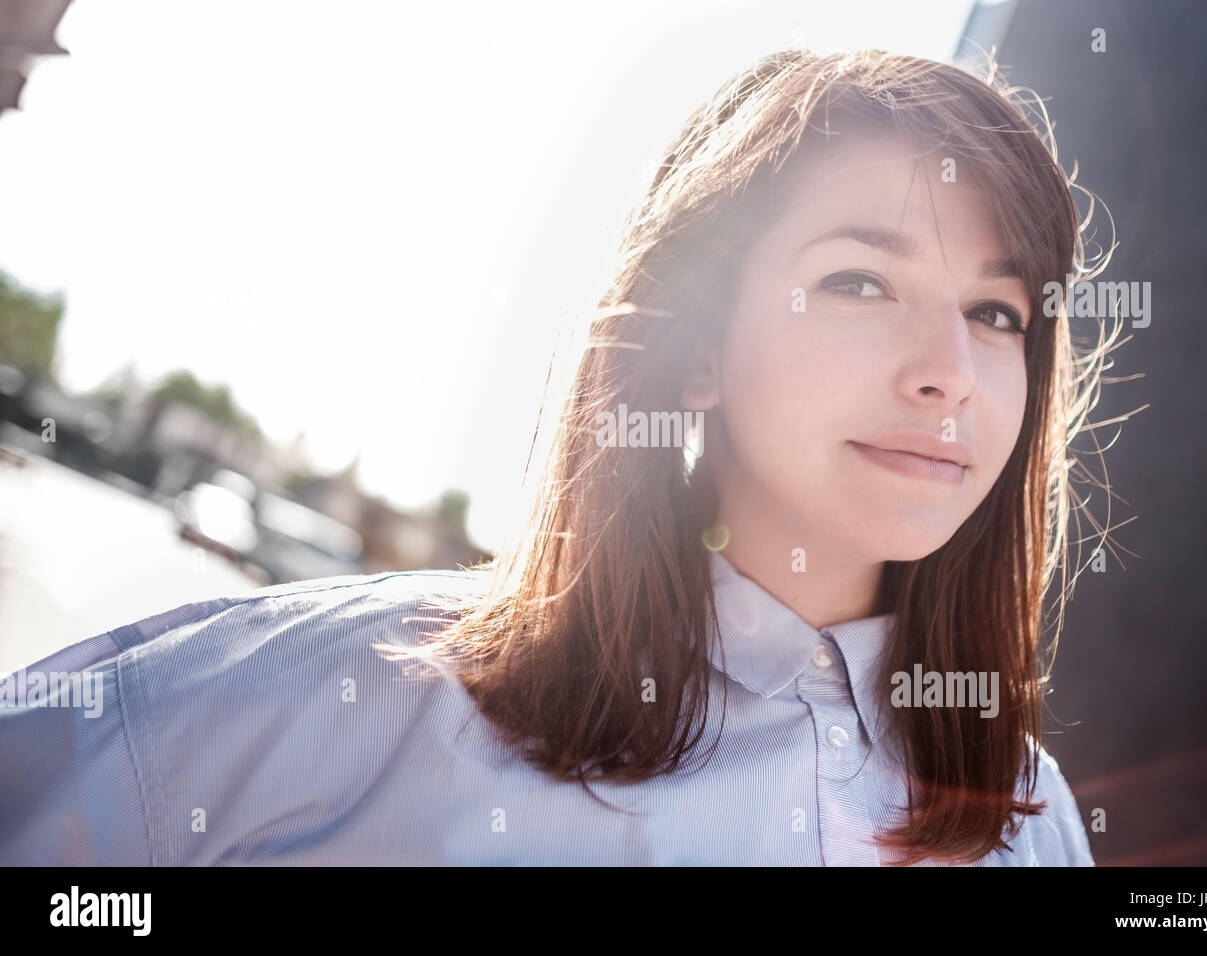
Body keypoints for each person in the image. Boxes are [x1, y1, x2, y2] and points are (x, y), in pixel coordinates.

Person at [0, 48, 1113, 866]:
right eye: (858, 281)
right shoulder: (359, 697)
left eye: (998, 312)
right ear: (692, 348)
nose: (949, 369)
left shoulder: (1031, 819)